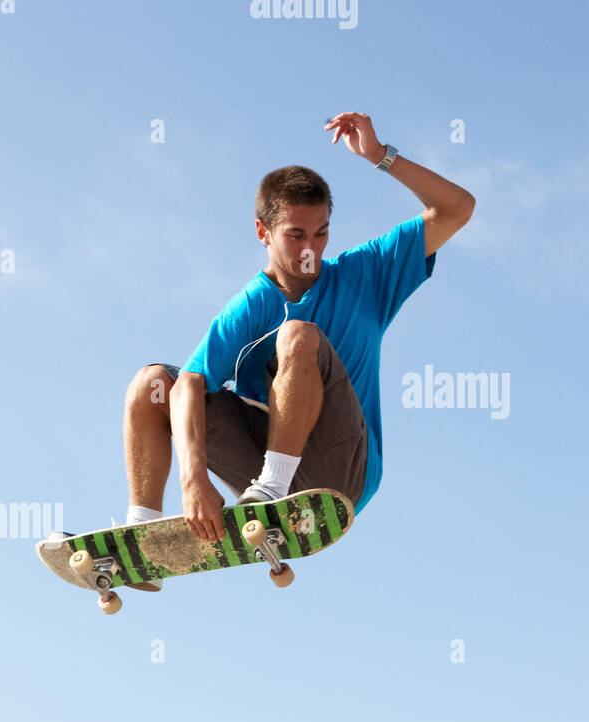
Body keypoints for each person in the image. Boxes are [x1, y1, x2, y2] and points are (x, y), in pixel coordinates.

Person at [122, 112, 475, 590]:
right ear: (263, 232)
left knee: (298, 336)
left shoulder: (366, 274)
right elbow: (190, 383)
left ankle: (271, 488)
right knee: (154, 385)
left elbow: (457, 208)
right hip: (262, 455)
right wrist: (193, 480)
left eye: (321, 232)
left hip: (343, 469)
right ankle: (142, 536)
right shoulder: (248, 307)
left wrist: (379, 156)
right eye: (295, 235)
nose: (311, 249)